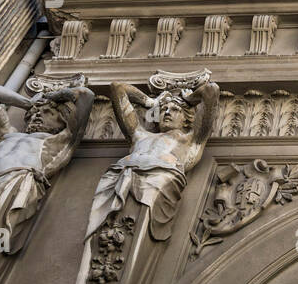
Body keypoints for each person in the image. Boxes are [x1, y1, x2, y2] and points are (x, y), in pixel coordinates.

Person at [0, 82, 93, 253]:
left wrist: (53, 97)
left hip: (12, 185)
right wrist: (29, 104)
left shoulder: (60, 142)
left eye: (49, 112)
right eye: (35, 113)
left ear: (62, 122)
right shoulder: (8, 134)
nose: (38, 115)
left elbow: (86, 95)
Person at [86, 80, 219, 241]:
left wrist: (189, 100)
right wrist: (150, 102)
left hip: (156, 183)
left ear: (186, 119)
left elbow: (211, 90)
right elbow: (117, 88)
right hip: (118, 180)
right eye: (164, 109)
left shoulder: (190, 140)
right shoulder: (139, 135)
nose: (167, 112)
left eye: (175, 110)